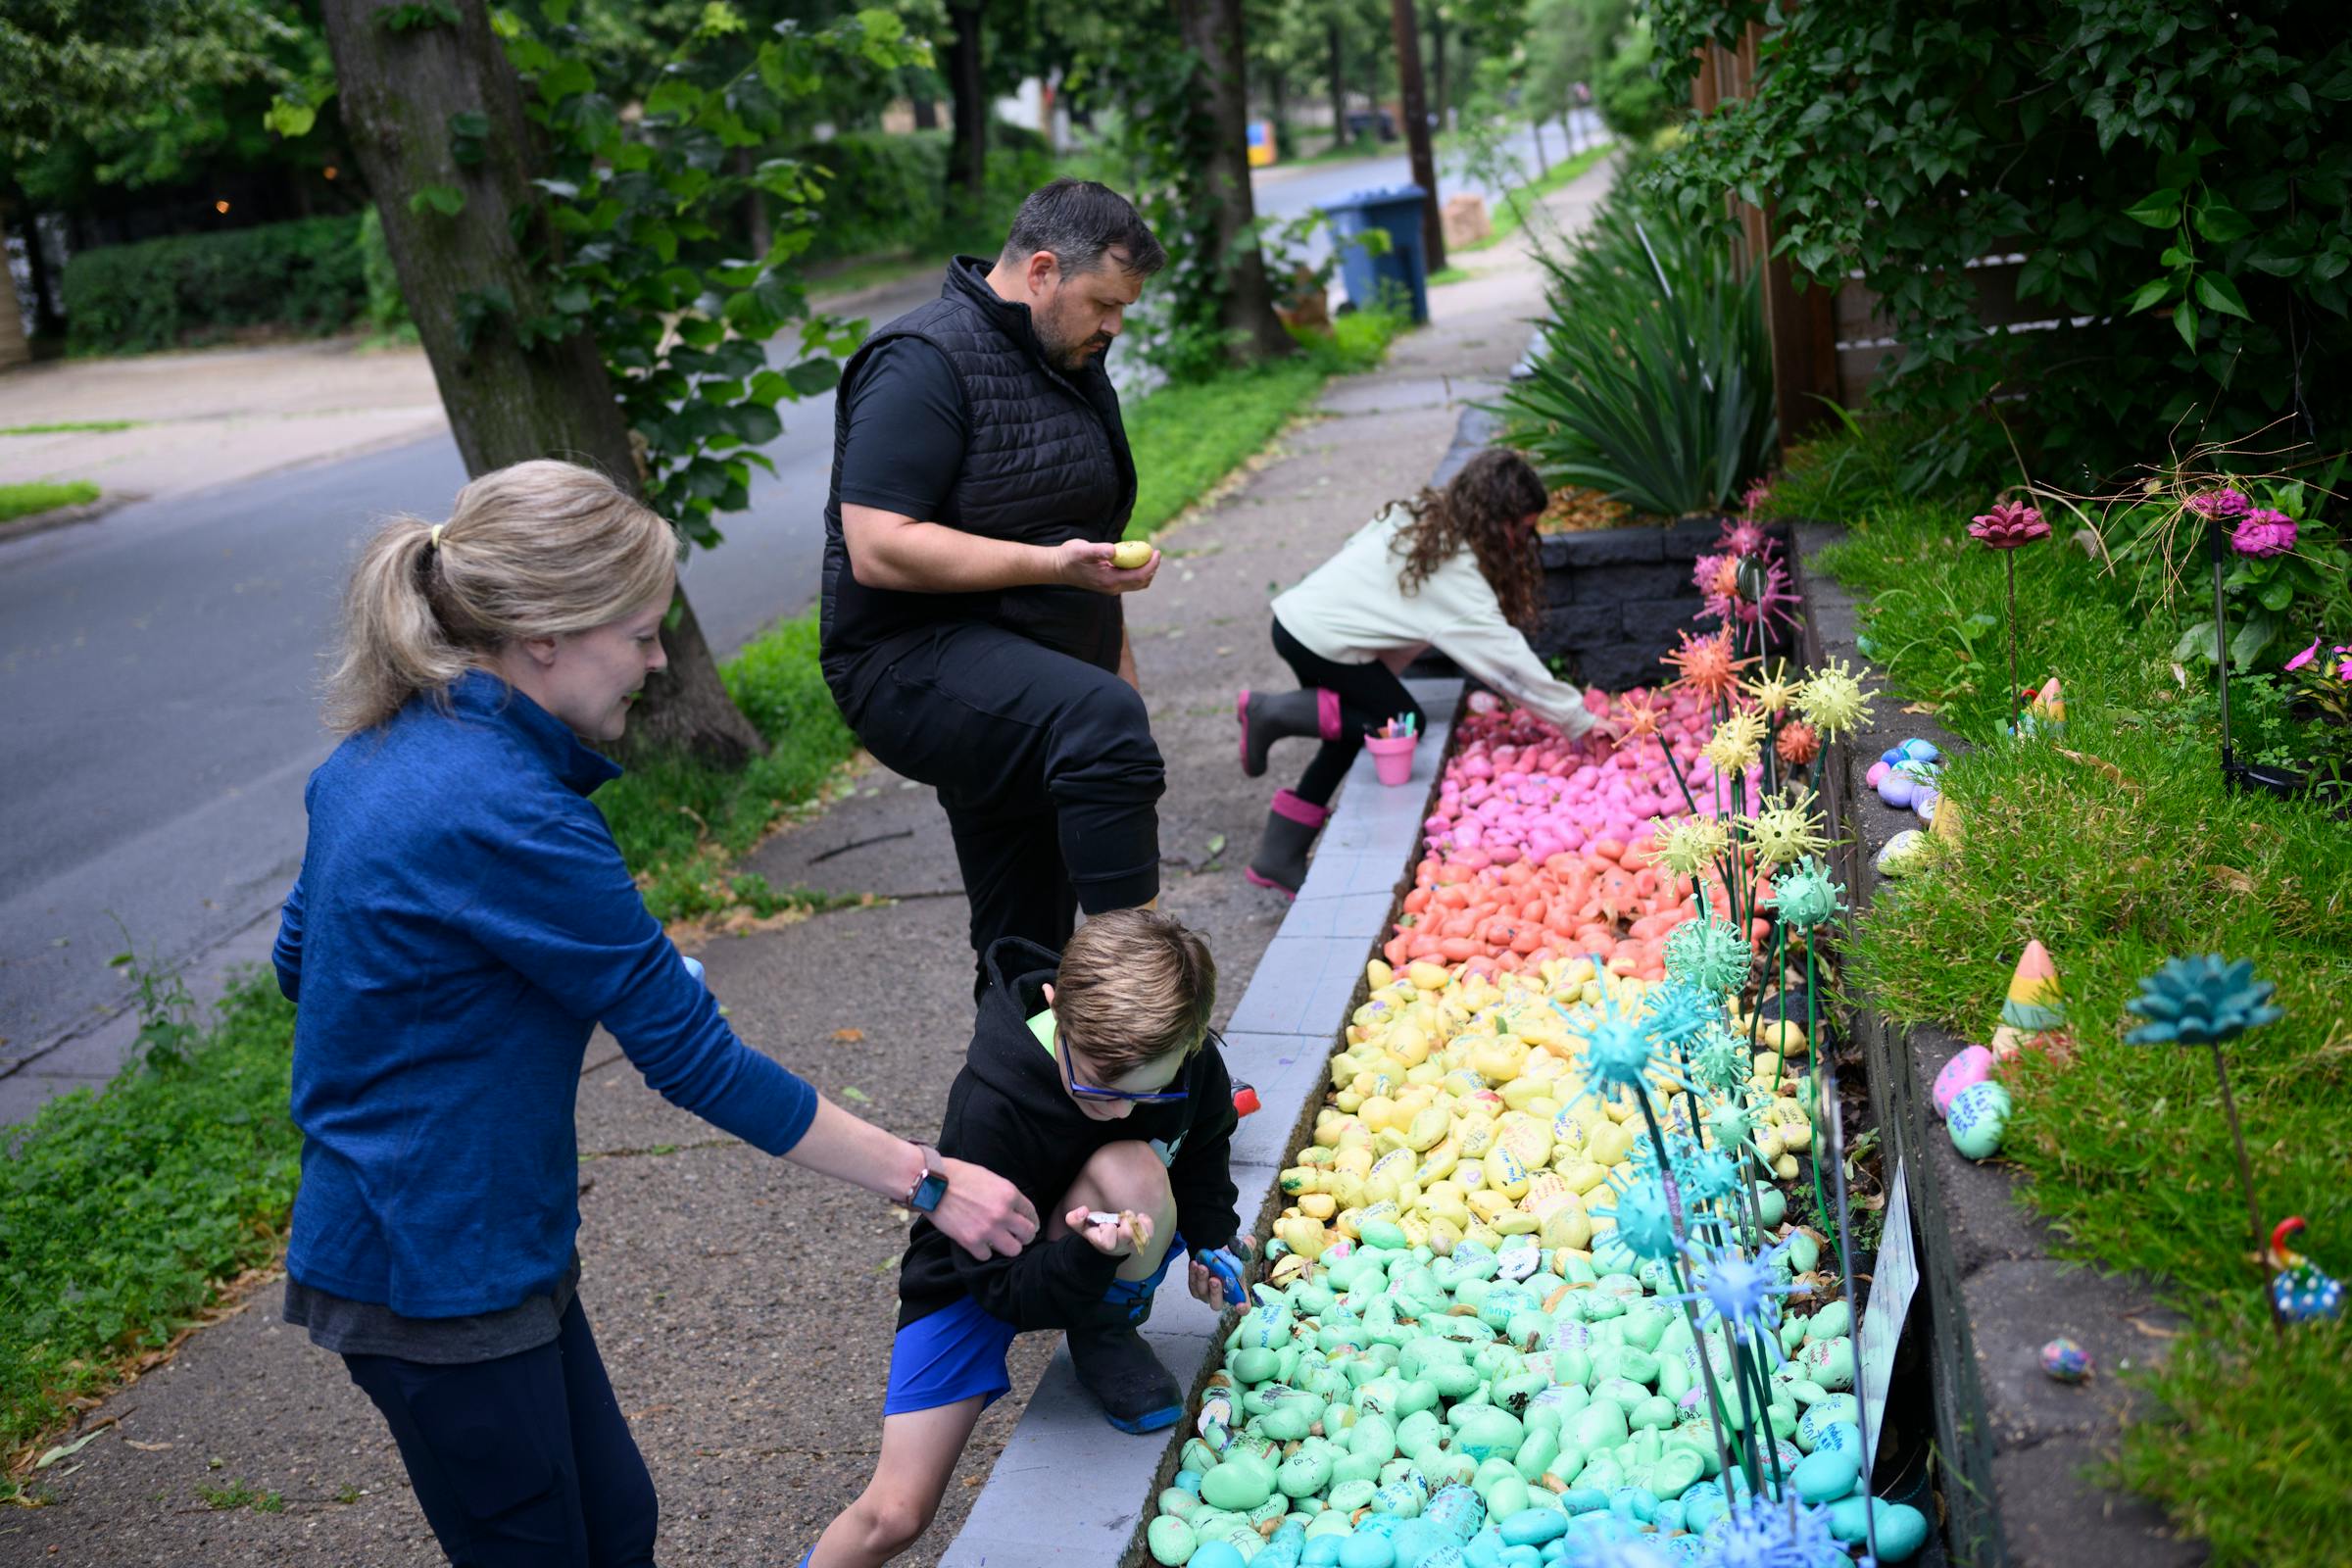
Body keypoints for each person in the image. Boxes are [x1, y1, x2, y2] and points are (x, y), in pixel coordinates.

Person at [273, 461, 1038, 1567]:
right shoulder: (509, 808)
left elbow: (306, 960)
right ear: (544, 634)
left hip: (460, 1237)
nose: (657, 657)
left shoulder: (380, 751)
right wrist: (930, 1178)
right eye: (637, 631)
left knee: (616, 1523)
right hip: (439, 1266)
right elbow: (697, 1065)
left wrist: (507, 971)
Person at [801, 909, 1247, 1567]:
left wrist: (1212, 1239)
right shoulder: (994, 1102)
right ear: (1054, 1005)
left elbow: (1202, 1147)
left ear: (1193, 1041)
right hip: (979, 1270)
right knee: (894, 1514)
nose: (1120, 1112)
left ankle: (1104, 1331)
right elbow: (1000, 1290)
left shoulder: (1187, 1060)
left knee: (1135, 1171)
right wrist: (1085, 1256)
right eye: (1095, 1086)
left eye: (1142, 1097)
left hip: (1096, 1239)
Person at [819, 177, 1171, 1000]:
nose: (1116, 325)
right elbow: (878, 547)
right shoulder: (920, 361)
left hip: (1026, 671)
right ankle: (1145, 997)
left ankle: (1023, 1107)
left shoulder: (1066, 357)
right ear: (1042, 270)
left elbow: (1092, 527)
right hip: (906, 663)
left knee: (1024, 947)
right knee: (1100, 726)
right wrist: (1054, 572)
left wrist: (1115, 666)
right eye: (1105, 304)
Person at [1234, 448, 1598, 895]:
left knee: (1356, 730)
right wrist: (1577, 719)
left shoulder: (1421, 518)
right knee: (1401, 723)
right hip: (1320, 640)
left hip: (1301, 625)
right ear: (1496, 518)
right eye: (1522, 528)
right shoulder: (1454, 568)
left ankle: (1278, 855)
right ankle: (1272, 713)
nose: (1525, 540)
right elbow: (1506, 661)